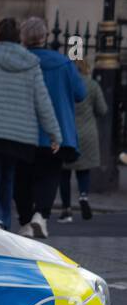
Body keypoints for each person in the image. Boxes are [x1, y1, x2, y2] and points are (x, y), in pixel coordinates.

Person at [0, 17, 59, 231]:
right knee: (8, 181)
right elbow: (42, 100)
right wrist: (55, 134)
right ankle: (5, 224)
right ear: (19, 37)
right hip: (20, 136)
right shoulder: (31, 62)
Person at [14, 16, 84, 238]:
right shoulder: (64, 63)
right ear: (45, 37)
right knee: (50, 174)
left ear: (23, 38)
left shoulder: (19, 61)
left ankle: (25, 220)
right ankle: (40, 216)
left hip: (23, 129)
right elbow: (81, 94)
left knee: (21, 177)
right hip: (55, 131)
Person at [58, 58, 105, 222]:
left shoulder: (64, 84)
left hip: (67, 131)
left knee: (64, 172)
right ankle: (83, 196)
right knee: (83, 170)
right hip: (88, 133)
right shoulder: (92, 85)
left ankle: (66, 209)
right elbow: (102, 109)